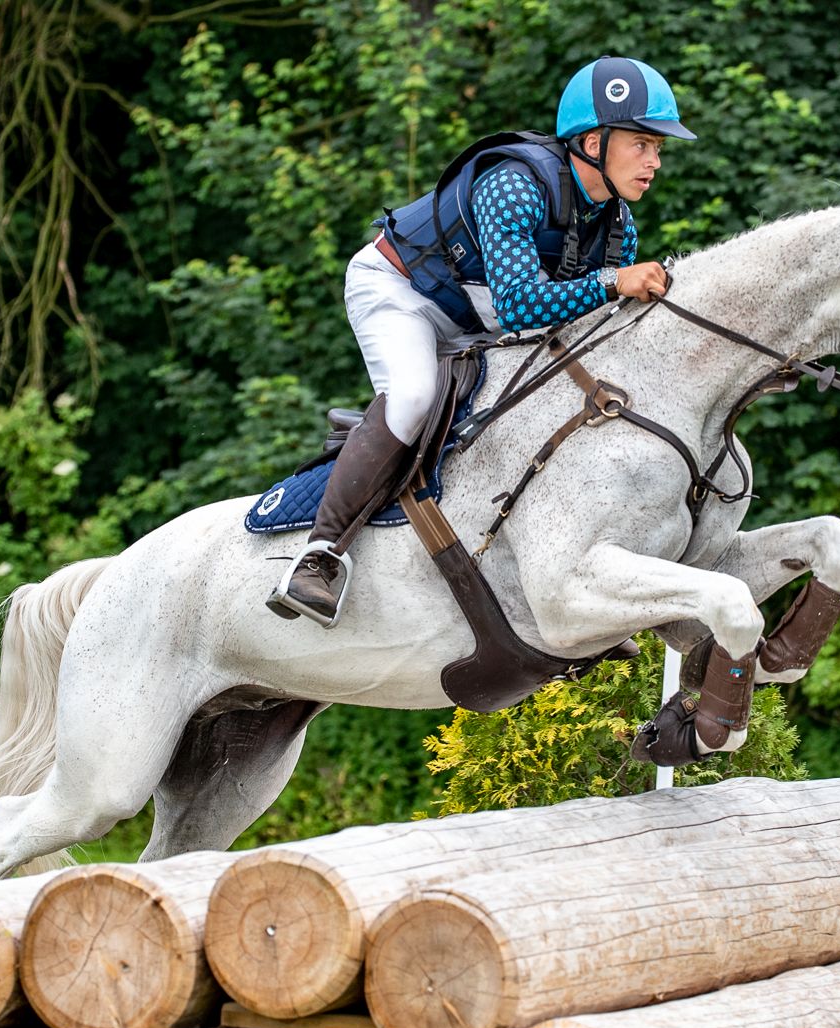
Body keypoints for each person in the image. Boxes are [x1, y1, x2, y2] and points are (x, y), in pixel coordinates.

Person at [267, 55, 695, 626]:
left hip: (474, 314)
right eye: (641, 143)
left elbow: (564, 328)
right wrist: (614, 282)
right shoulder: (515, 184)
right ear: (593, 141)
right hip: (400, 291)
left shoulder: (617, 224)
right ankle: (318, 558)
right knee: (416, 395)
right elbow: (520, 305)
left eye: (658, 148)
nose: (655, 161)